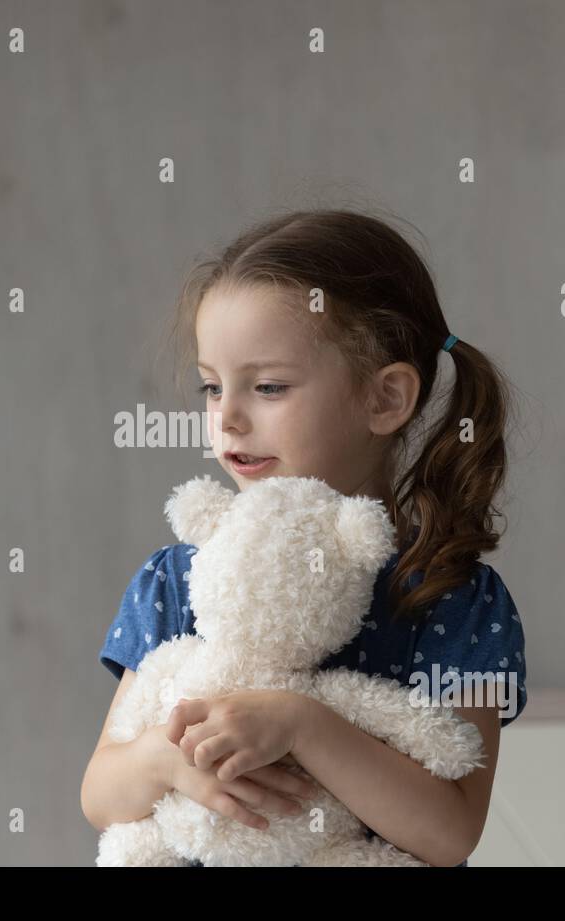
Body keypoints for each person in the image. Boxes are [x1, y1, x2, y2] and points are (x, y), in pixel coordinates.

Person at [80, 209, 528, 867]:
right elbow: (101, 794)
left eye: (267, 387)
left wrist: (304, 724)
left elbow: (450, 832)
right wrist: (166, 761)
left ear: (385, 399)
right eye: (212, 387)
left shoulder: (451, 598)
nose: (227, 417)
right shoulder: (178, 582)